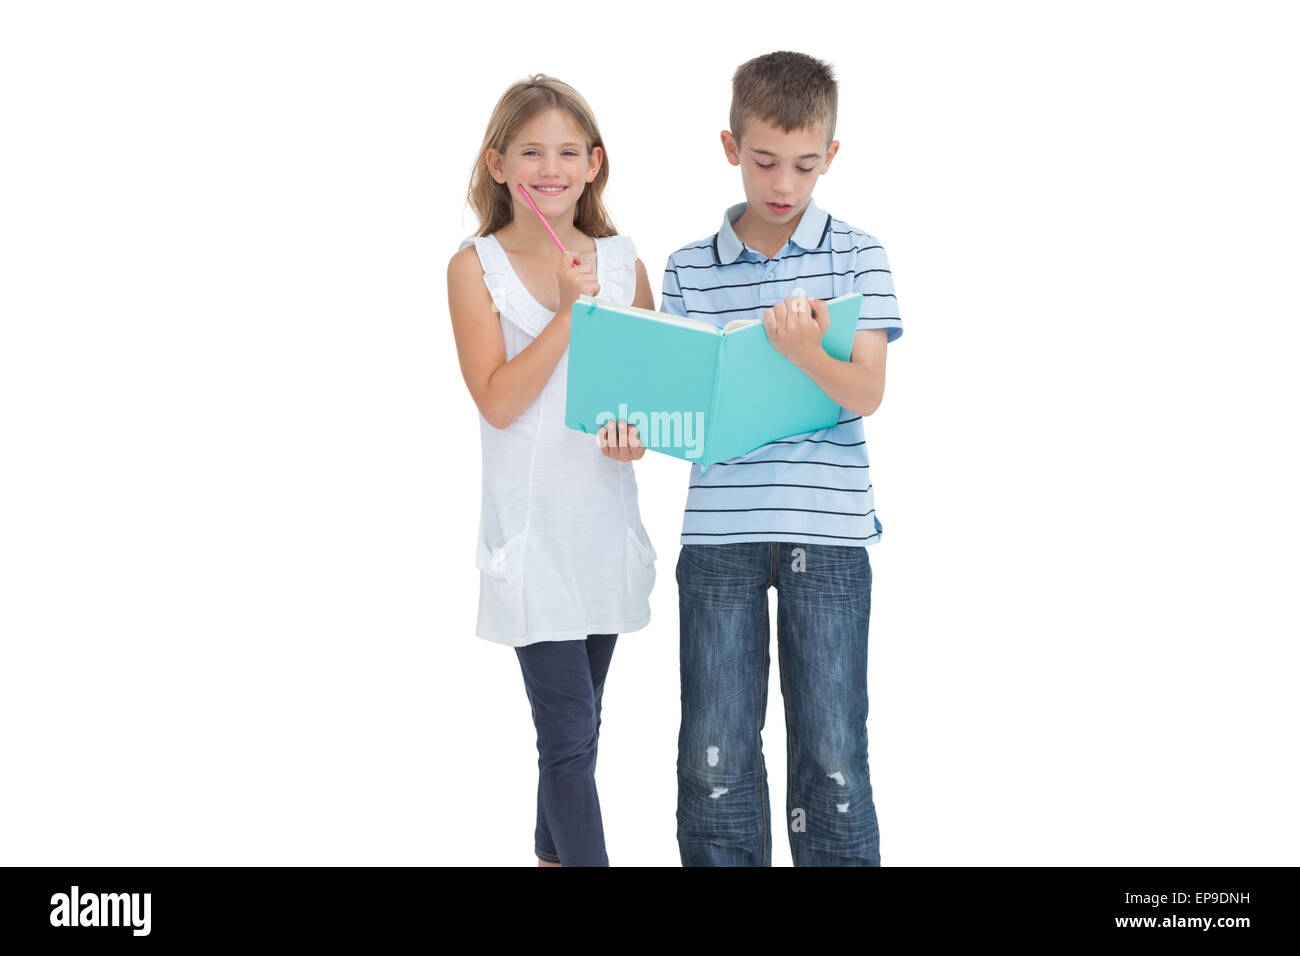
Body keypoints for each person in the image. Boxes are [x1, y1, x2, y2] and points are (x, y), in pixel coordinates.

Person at [659, 51, 904, 866]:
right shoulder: (689, 268)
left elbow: (866, 391)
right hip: (720, 535)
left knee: (833, 754)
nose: (785, 183)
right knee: (714, 754)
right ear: (731, 147)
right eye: (765, 161)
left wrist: (802, 352)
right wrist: (635, 424)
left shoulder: (858, 254)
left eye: (805, 165)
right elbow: (676, 405)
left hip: (828, 534)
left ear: (831, 156)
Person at [446, 73, 658, 867]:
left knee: (583, 730)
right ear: (498, 164)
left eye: (568, 152)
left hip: (602, 535)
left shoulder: (626, 262)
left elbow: (642, 412)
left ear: (594, 163)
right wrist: (571, 312)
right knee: (567, 738)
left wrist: (633, 436)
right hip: (532, 542)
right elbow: (498, 402)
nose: (550, 168)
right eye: (531, 152)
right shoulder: (474, 269)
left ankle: (548, 858)